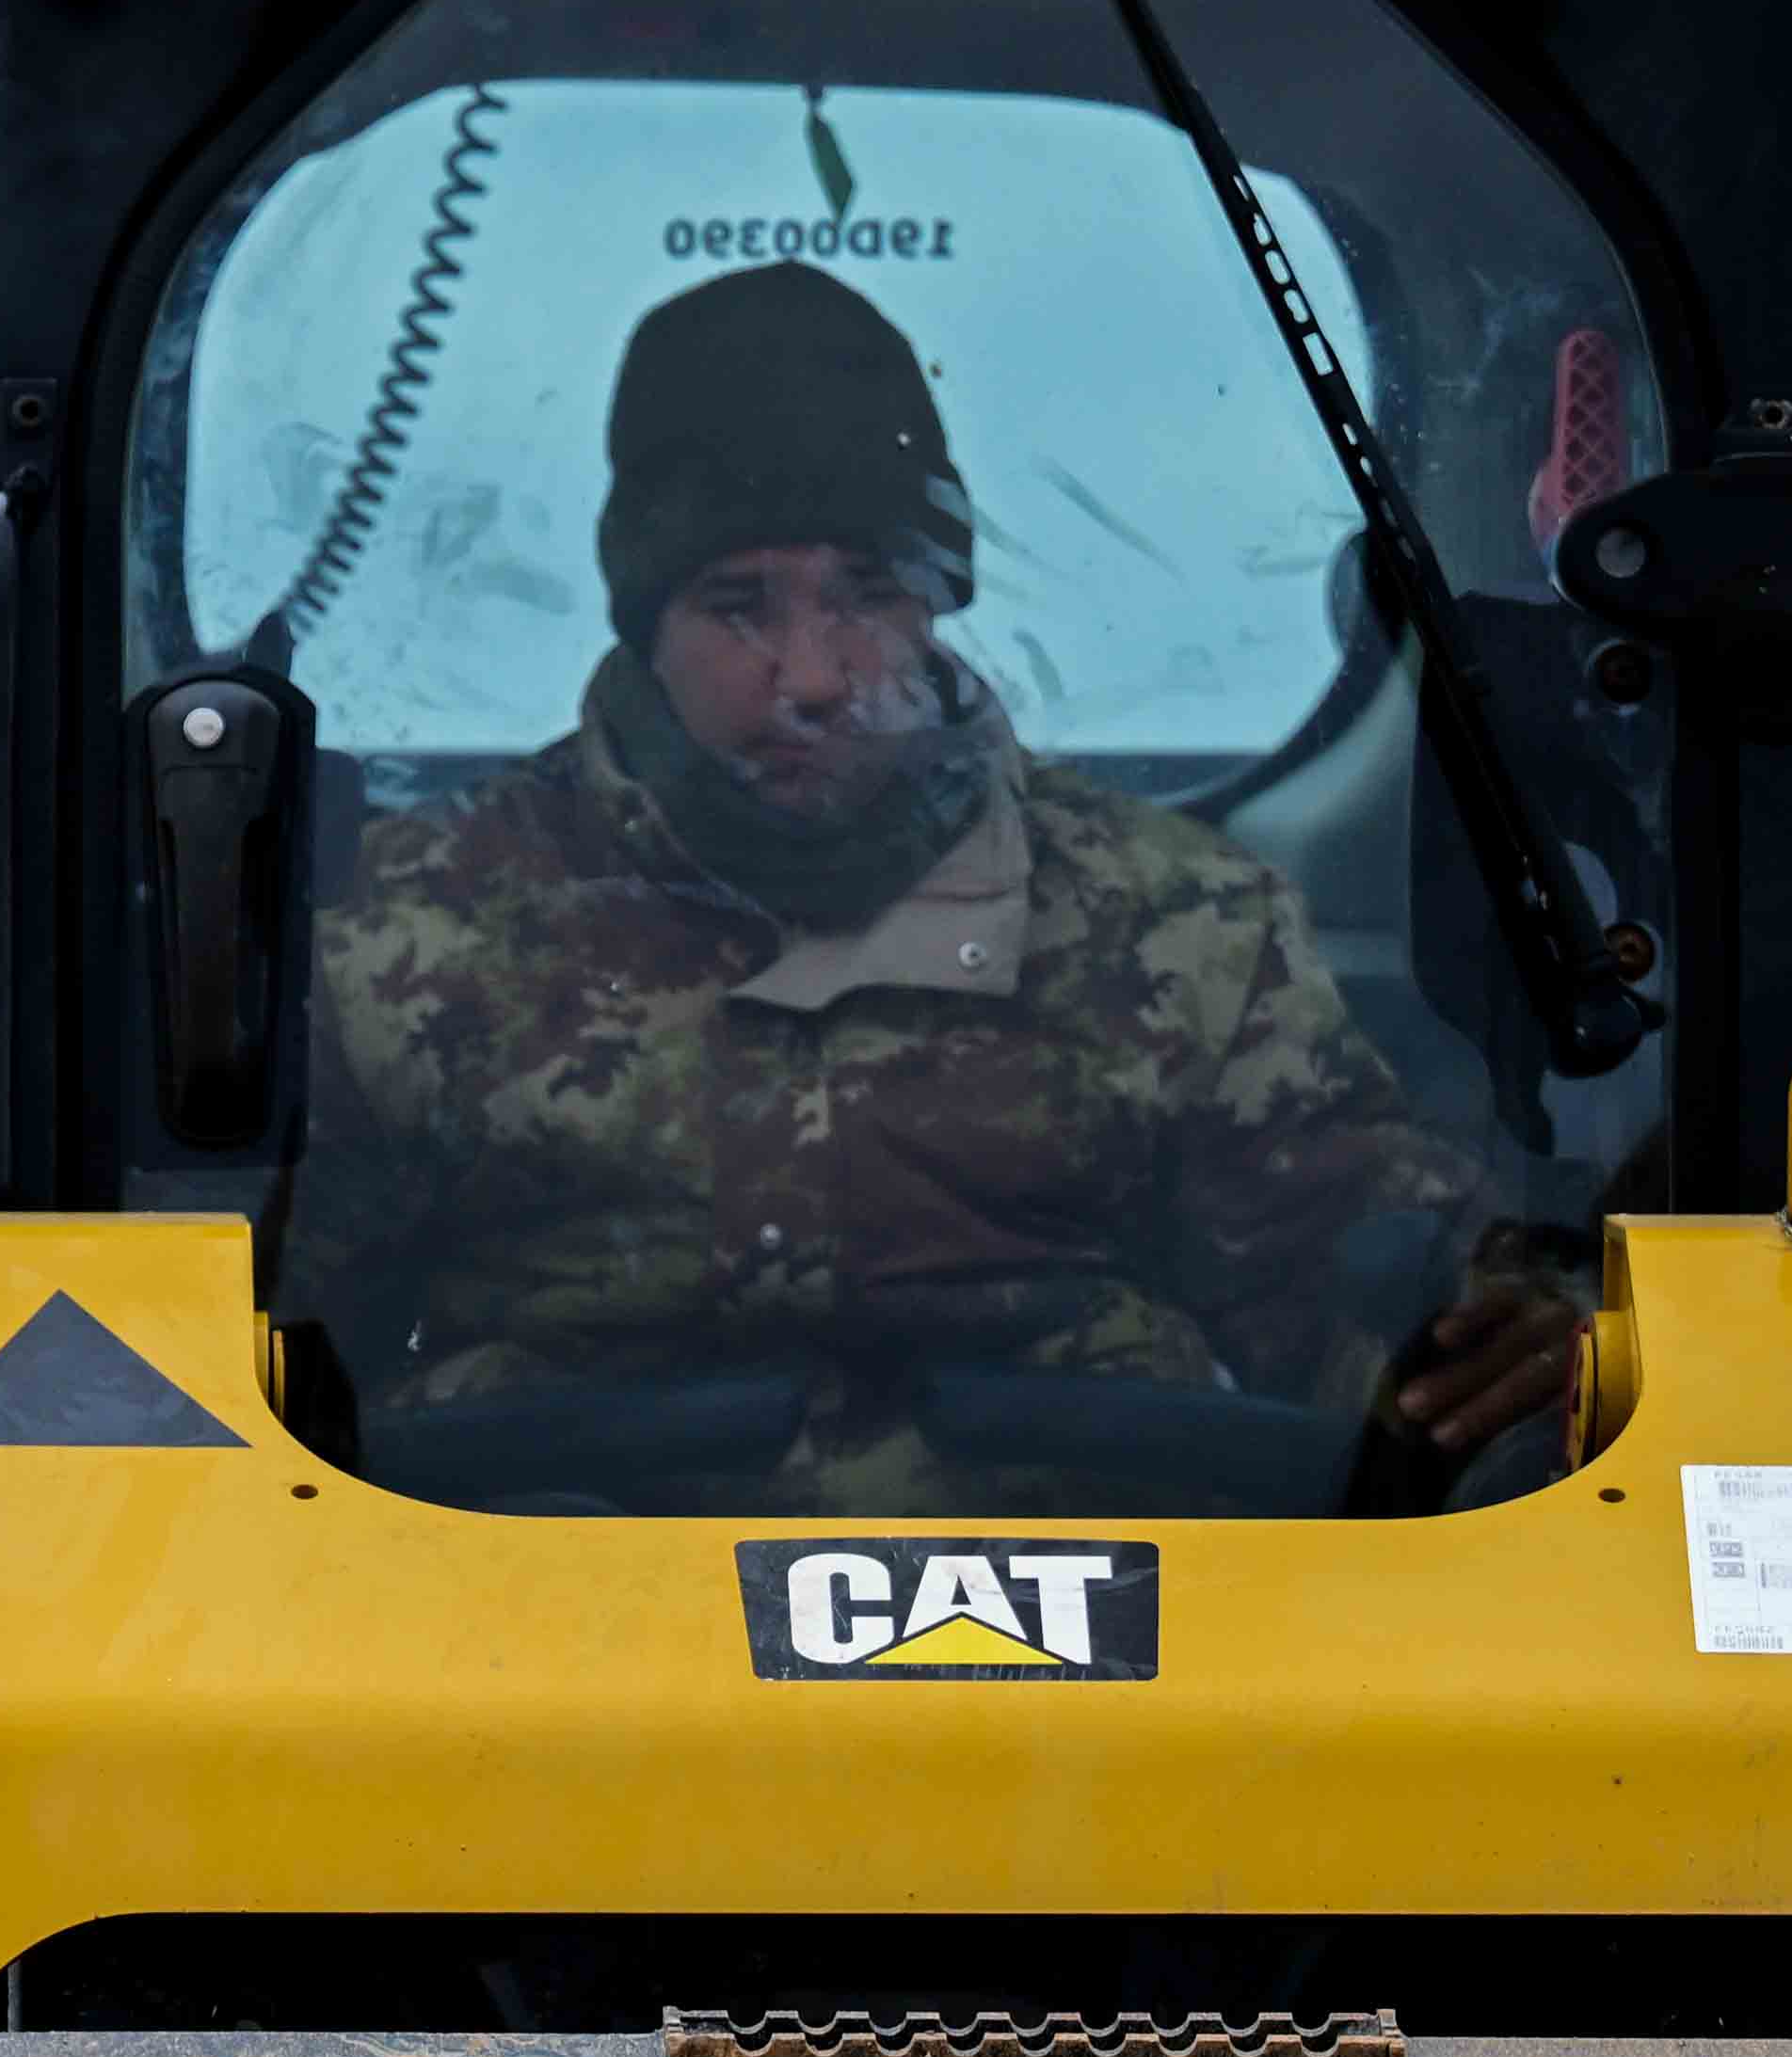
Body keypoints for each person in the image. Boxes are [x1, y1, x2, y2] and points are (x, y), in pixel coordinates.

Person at [263, 260, 1583, 1510]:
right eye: (738, 605)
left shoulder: (1181, 926)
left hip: (1115, 1623)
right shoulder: (416, 931)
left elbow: (1375, 1300)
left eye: (867, 594)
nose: (814, 675)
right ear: (647, 618)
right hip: (533, 1615)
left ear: (936, 601)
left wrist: (1497, 1343)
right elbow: (256, 1349)